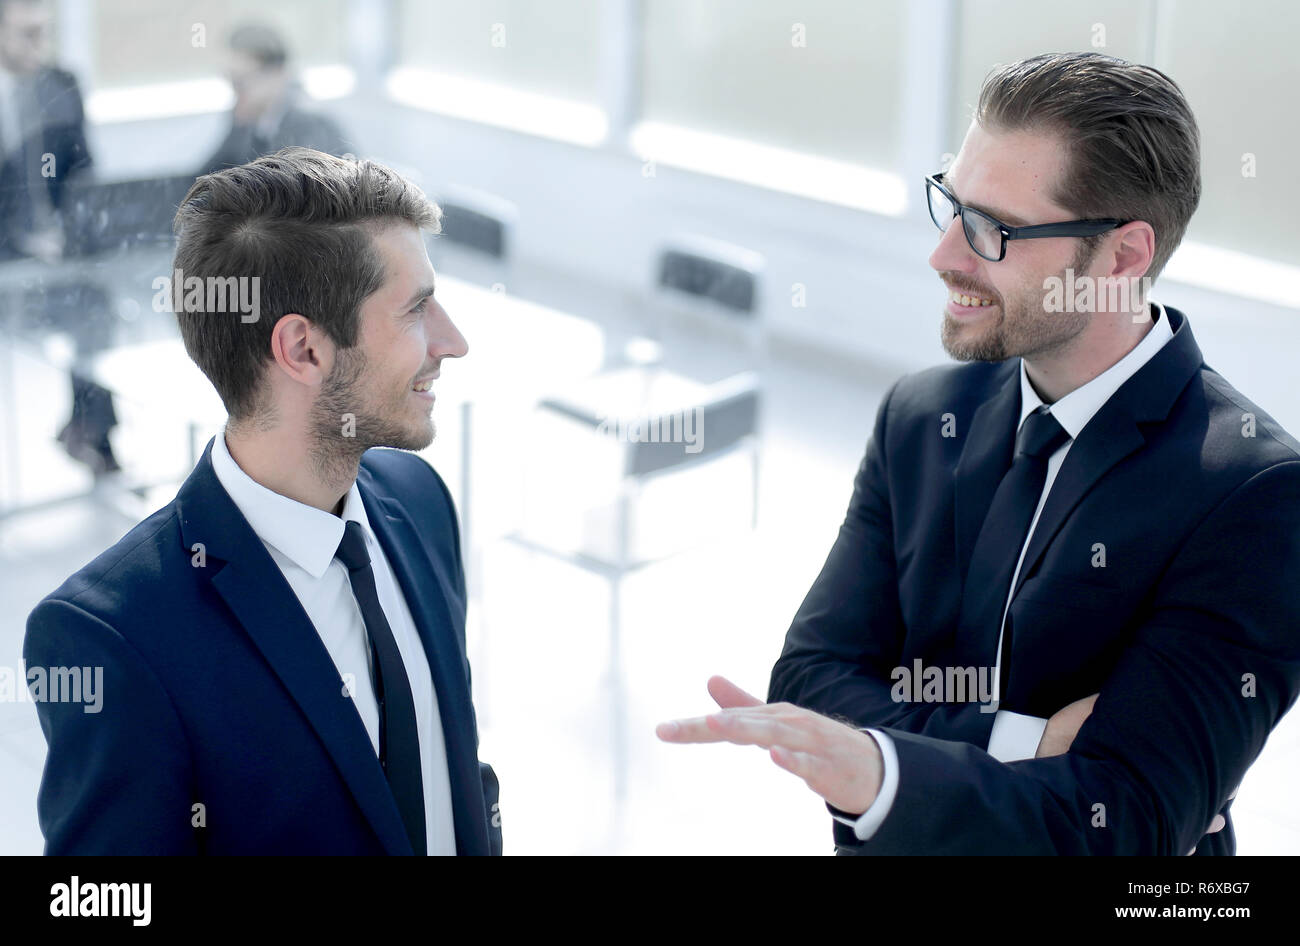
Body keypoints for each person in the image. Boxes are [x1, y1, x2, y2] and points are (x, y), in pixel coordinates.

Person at [657, 52, 1300, 856]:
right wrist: (1024, 742)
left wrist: (884, 757)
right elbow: (812, 680)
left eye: (994, 228)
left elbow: (1127, 817)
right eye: (951, 204)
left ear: (1124, 258)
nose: (945, 254)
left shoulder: (1255, 492)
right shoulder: (923, 416)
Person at [23, 147, 500, 855]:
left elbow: (452, 769)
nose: (453, 342)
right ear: (303, 350)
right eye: (416, 311)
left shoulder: (420, 502)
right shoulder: (114, 636)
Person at [0, 0, 116, 474]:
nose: (39, 46)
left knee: (95, 301)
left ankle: (93, 432)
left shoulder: (60, 83)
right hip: (6, 249)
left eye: (43, 33)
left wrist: (68, 232)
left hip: (51, 248)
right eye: (27, 34)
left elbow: (84, 171)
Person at [199, 22, 349, 176]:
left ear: (278, 73)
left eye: (241, 81)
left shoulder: (311, 125)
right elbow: (212, 172)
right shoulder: (248, 116)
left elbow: (289, 193)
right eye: (230, 80)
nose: (236, 91)